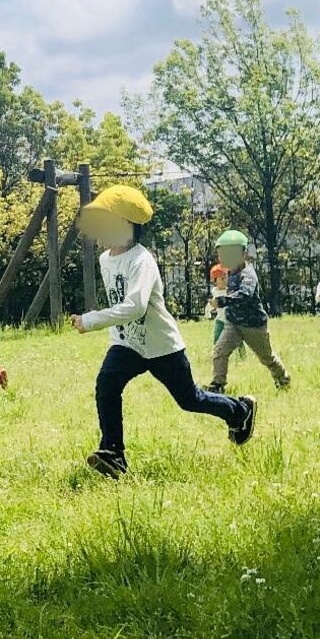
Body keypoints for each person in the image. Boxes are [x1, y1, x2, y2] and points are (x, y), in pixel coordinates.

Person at [71, 186, 254, 478]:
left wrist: (91, 320)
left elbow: (135, 306)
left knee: (190, 399)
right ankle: (113, 454)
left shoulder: (141, 260)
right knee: (107, 384)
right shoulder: (106, 258)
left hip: (161, 345)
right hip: (127, 342)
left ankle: (239, 411)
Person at [208, 229, 291, 392]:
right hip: (233, 323)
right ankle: (218, 384)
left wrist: (223, 301)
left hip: (253, 326)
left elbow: (244, 294)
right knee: (219, 351)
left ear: (243, 254)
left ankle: (283, 379)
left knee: (266, 357)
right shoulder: (229, 271)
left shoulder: (248, 274)